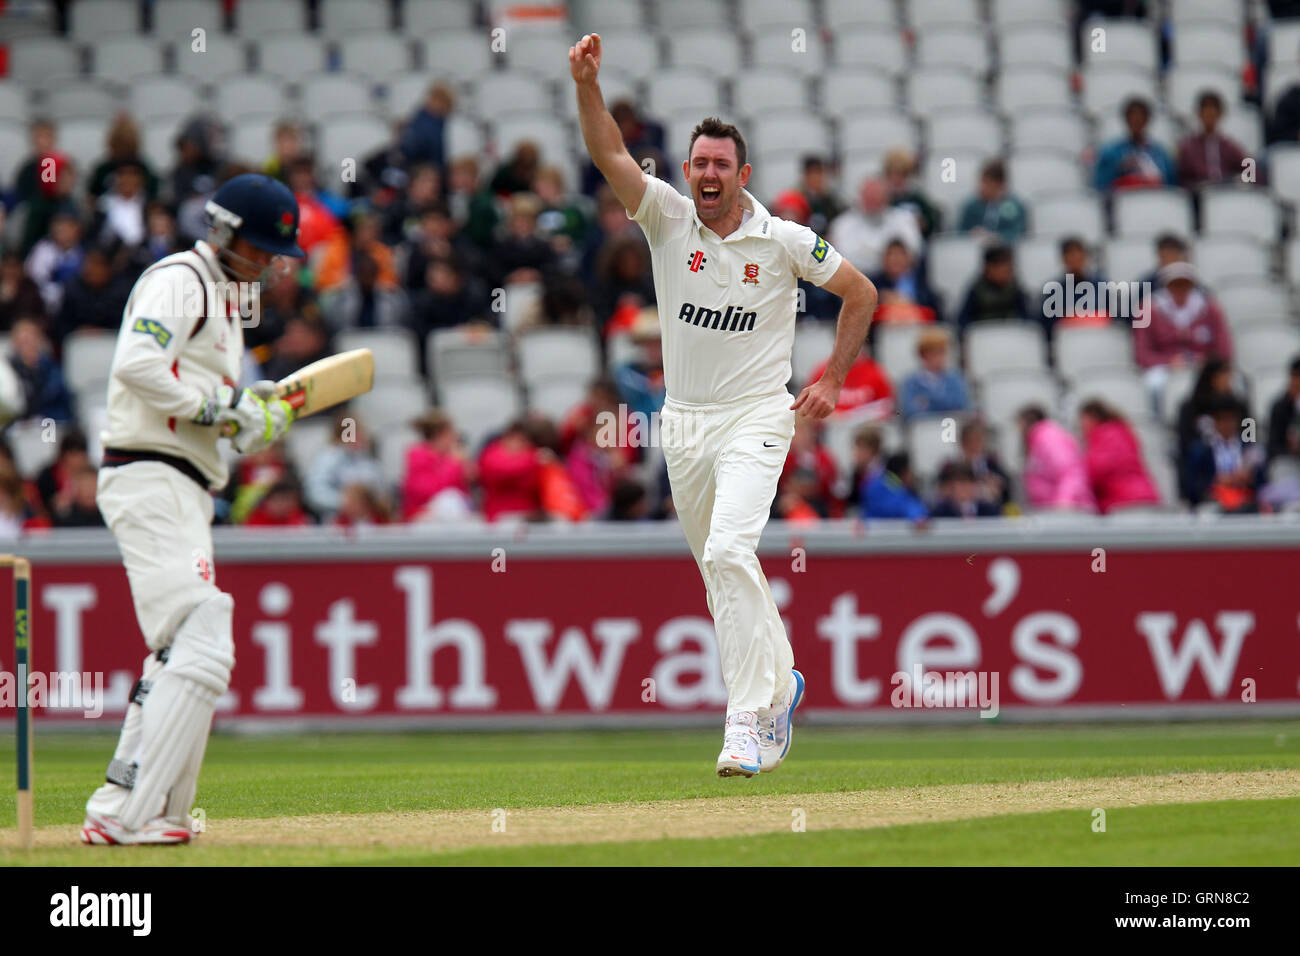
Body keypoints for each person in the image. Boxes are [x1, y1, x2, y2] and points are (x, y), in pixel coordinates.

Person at [571, 32, 877, 777]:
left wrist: (833, 379)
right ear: (685, 171)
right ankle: (782, 690)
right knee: (720, 572)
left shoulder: (785, 241)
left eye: (721, 165)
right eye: (698, 163)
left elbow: (861, 293)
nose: (708, 174)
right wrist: (587, 85)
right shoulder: (667, 219)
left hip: (758, 416)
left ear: (743, 174)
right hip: (685, 423)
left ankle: (746, 723)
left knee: (728, 551)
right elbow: (610, 153)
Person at [81, 174, 303, 846]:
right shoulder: (180, 278)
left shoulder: (228, 310)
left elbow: (202, 405)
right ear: (223, 231)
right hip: (145, 474)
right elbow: (137, 365)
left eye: (273, 253)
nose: (265, 263)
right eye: (257, 248)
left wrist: (248, 420)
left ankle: (130, 801)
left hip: (184, 484)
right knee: (204, 628)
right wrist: (221, 409)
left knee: (178, 647)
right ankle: (132, 815)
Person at [1135, 262, 1232, 401]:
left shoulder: (1210, 308)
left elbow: (1224, 350)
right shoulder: (1149, 309)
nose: (1180, 289)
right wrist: (1168, 361)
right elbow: (1142, 353)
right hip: (1164, 368)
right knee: (1153, 383)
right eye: (1175, 285)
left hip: (1204, 367)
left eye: (1185, 284)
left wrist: (1206, 362)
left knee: (1230, 382)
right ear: (1166, 286)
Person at [1078, 400, 1161, 513]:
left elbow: (1094, 471)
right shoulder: (1122, 432)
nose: (1080, 426)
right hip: (1146, 497)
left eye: (1083, 421)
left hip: (1123, 502)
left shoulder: (1102, 436)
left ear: (1092, 418)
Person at [828, 177, 923, 275]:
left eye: (876, 196)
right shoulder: (842, 224)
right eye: (868, 196)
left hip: (895, 281)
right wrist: (883, 258)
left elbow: (913, 252)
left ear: (886, 197)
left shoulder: (904, 220)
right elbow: (842, 258)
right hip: (855, 279)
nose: (872, 200)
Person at [1018, 406, 1096, 511]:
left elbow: (1070, 471)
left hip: (1068, 513)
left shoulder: (1048, 438)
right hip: (1051, 510)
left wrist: (1064, 502)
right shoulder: (1037, 440)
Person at [1094, 97, 1175, 191]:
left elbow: (1170, 185)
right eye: (1132, 116)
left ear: (1147, 120)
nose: (1136, 121)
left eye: (1141, 117)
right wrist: (1120, 169)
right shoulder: (1110, 152)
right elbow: (1102, 186)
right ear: (1126, 119)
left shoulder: (1160, 153)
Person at [1177, 91, 1250, 189]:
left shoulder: (1229, 146)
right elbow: (1181, 180)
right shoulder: (1188, 148)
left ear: (1220, 115)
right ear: (1199, 114)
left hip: (1225, 192)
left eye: (1213, 112)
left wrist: (1243, 180)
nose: (1209, 116)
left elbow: (1250, 166)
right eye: (1206, 111)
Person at [899, 326, 969, 420]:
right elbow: (910, 412)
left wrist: (927, 401)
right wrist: (945, 405)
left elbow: (961, 406)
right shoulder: (910, 382)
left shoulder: (955, 378)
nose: (941, 358)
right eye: (935, 353)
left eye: (943, 353)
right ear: (923, 355)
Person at [956, 244, 1030, 332]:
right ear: (989, 268)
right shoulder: (976, 289)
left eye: (1009, 268)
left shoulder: (1015, 287)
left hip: (1010, 335)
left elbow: (1028, 318)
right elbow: (963, 321)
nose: (1007, 272)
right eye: (1002, 268)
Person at [957, 159, 1027, 244]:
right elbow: (959, 234)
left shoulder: (1015, 206)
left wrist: (996, 237)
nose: (981, 187)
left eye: (987, 183)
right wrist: (971, 234)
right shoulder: (971, 206)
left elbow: (1019, 233)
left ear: (1000, 184)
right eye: (981, 182)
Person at [860, 452, 928, 522]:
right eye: (909, 471)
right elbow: (902, 505)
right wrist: (918, 517)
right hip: (877, 531)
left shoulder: (897, 487)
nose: (912, 476)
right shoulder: (881, 487)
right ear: (904, 472)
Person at [930, 462, 999, 518]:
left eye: (969, 483)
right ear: (951, 487)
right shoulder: (941, 512)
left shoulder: (989, 510)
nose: (965, 488)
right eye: (961, 484)